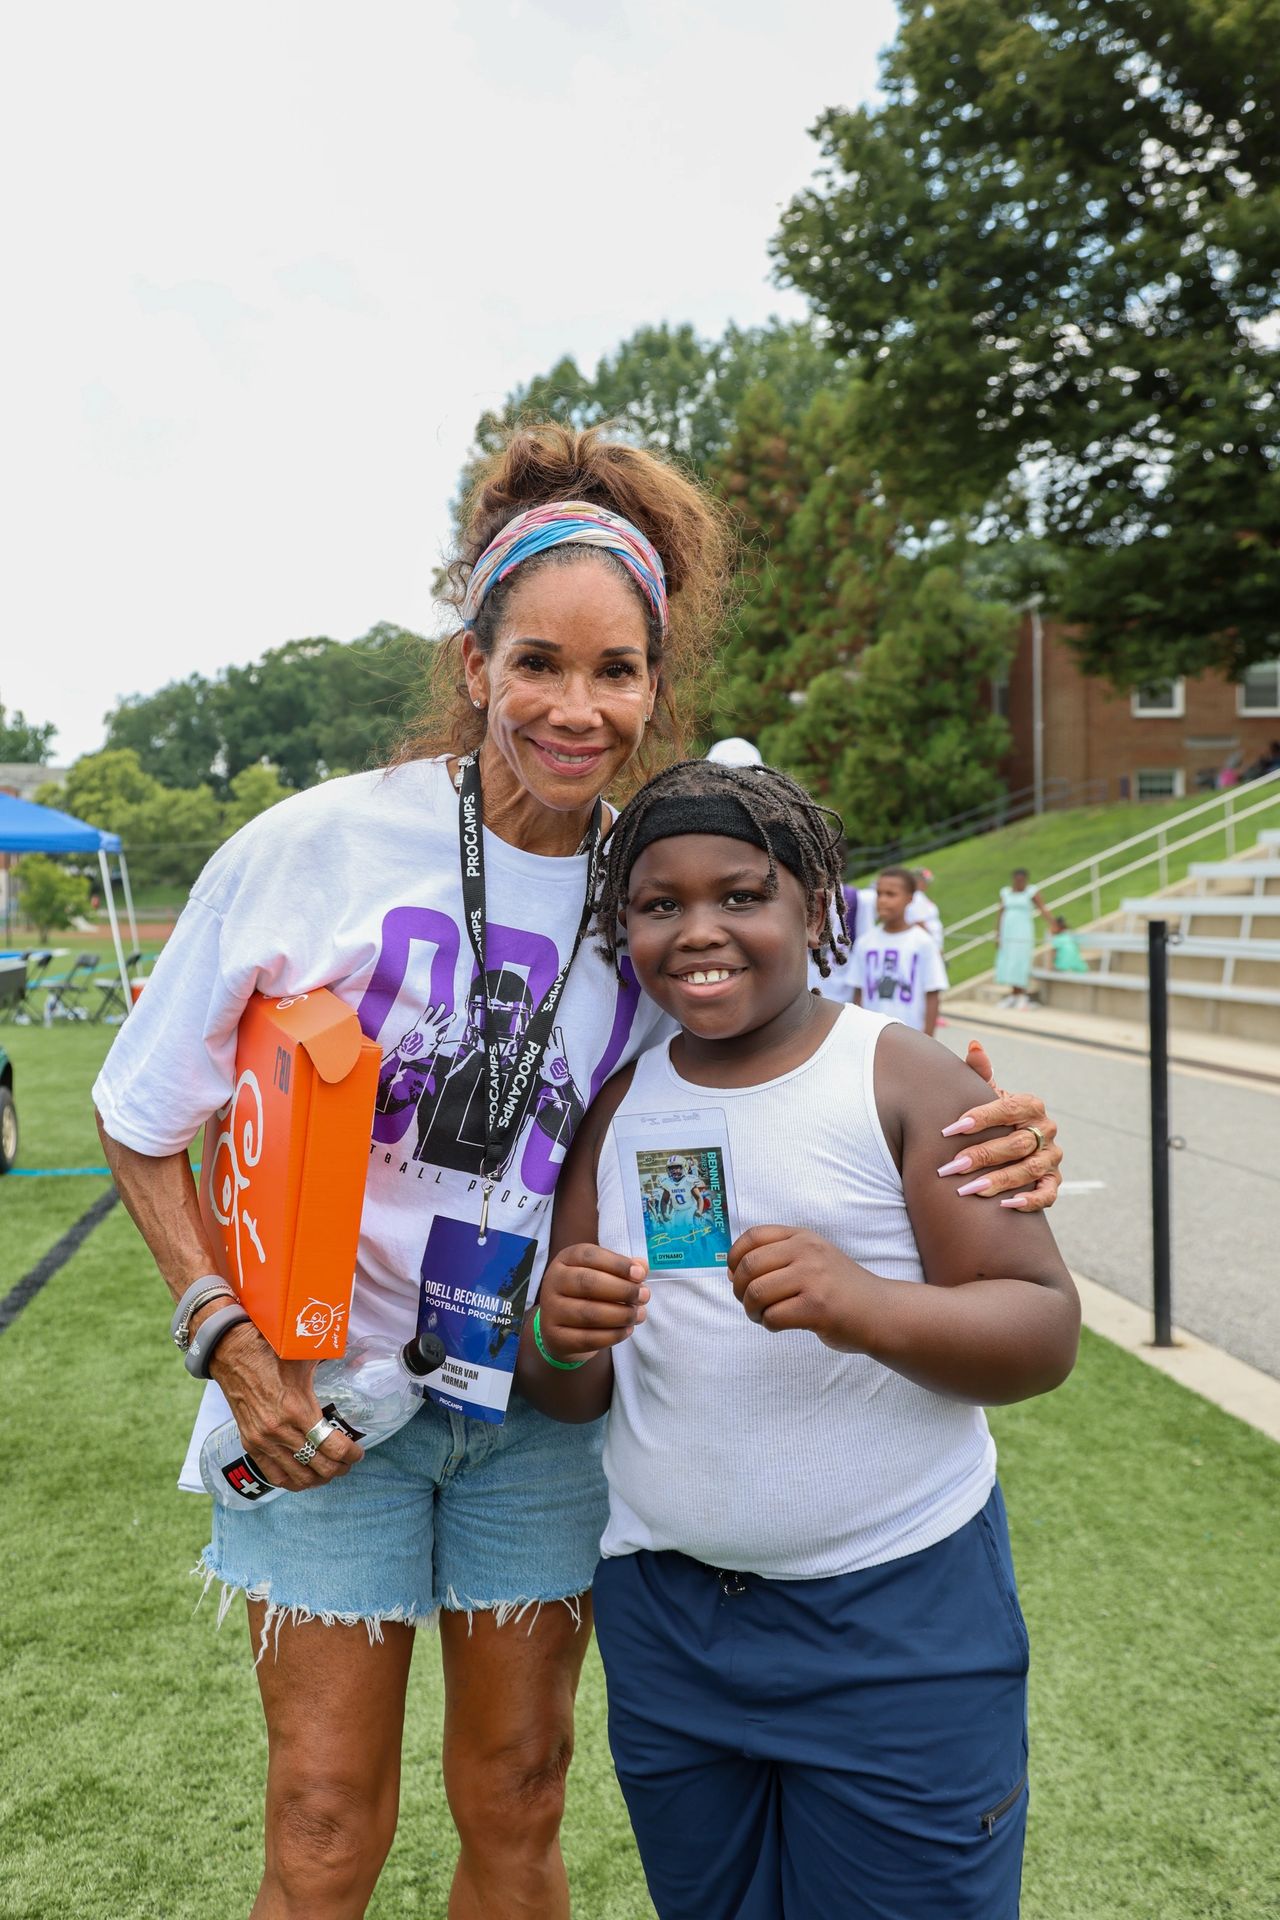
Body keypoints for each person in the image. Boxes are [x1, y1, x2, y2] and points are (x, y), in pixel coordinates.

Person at [92, 424, 1063, 1920]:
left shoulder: (649, 884)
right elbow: (140, 1110)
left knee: (522, 1801)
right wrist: (224, 1341)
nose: (575, 705)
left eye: (616, 673)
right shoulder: (320, 846)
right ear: (472, 664)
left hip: (541, 1410)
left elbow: (782, 1044)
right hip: (318, 1397)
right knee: (325, 1818)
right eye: (537, 662)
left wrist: (975, 1111)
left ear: (655, 686)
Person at [519, 759, 1079, 1920]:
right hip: (669, 1626)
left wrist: (860, 1302)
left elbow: (1038, 1327)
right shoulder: (620, 1107)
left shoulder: (898, 1076)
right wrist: (561, 1336)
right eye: (657, 905)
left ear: (811, 906)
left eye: (740, 893)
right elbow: (570, 1392)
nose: (698, 930)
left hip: (895, 1624)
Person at [851, 866, 950, 1036]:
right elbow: (858, 992)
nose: (882, 900)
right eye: (879, 893)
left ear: (910, 898)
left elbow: (932, 993)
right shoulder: (865, 942)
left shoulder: (923, 942)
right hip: (871, 1036)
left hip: (910, 1038)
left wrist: (928, 1040)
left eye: (891, 894)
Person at [994, 867, 1049, 1011]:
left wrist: (1053, 924)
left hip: (1023, 932)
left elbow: (1042, 908)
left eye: (1021, 880)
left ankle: (1022, 995)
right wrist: (997, 934)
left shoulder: (1031, 891)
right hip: (1008, 932)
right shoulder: (1005, 892)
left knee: (1021, 961)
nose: (1019, 883)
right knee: (1009, 961)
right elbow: (1000, 913)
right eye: (1016, 880)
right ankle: (1014, 994)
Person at [906, 866, 945, 948]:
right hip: (928, 944)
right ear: (917, 881)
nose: (927, 885)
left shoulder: (920, 896)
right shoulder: (916, 897)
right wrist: (932, 944)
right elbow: (919, 922)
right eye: (926, 881)